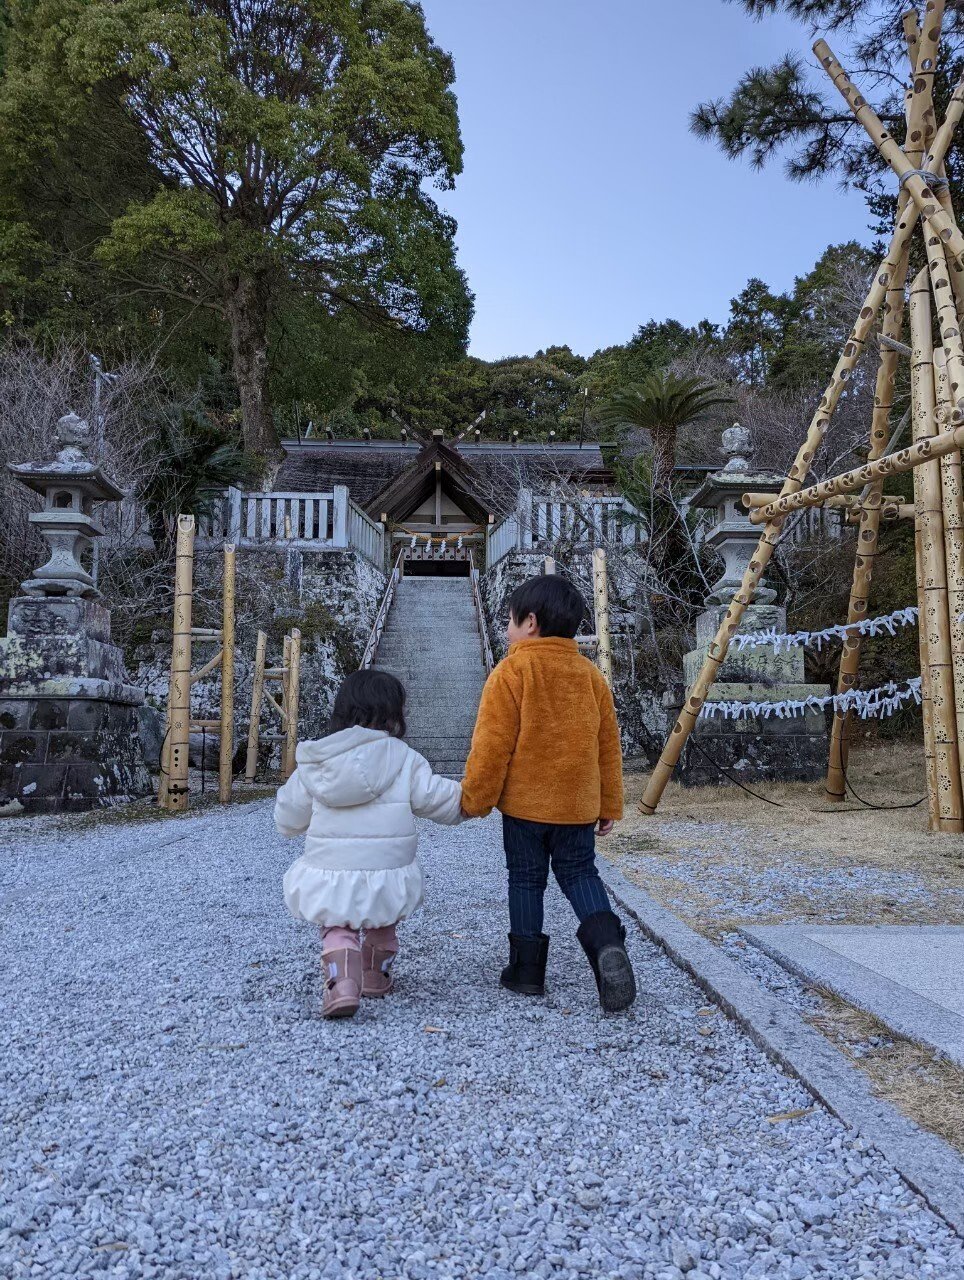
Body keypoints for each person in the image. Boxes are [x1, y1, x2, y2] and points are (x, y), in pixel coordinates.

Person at [460, 574, 635, 1012]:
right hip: (576, 807)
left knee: (525, 880)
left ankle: (526, 972)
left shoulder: (511, 673)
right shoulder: (591, 676)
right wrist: (609, 803)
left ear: (531, 622)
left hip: (524, 806)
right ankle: (607, 945)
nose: (507, 631)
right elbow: (607, 745)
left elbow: (491, 745)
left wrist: (475, 798)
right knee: (581, 875)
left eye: (510, 622)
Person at [274, 669, 462, 1019]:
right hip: (386, 872)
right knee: (383, 921)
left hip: (332, 869)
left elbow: (289, 815)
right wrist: (473, 798)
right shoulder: (404, 758)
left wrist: (289, 823)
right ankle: (375, 975)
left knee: (336, 926)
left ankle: (342, 982)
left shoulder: (318, 761)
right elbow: (437, 798)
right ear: (394, 714)